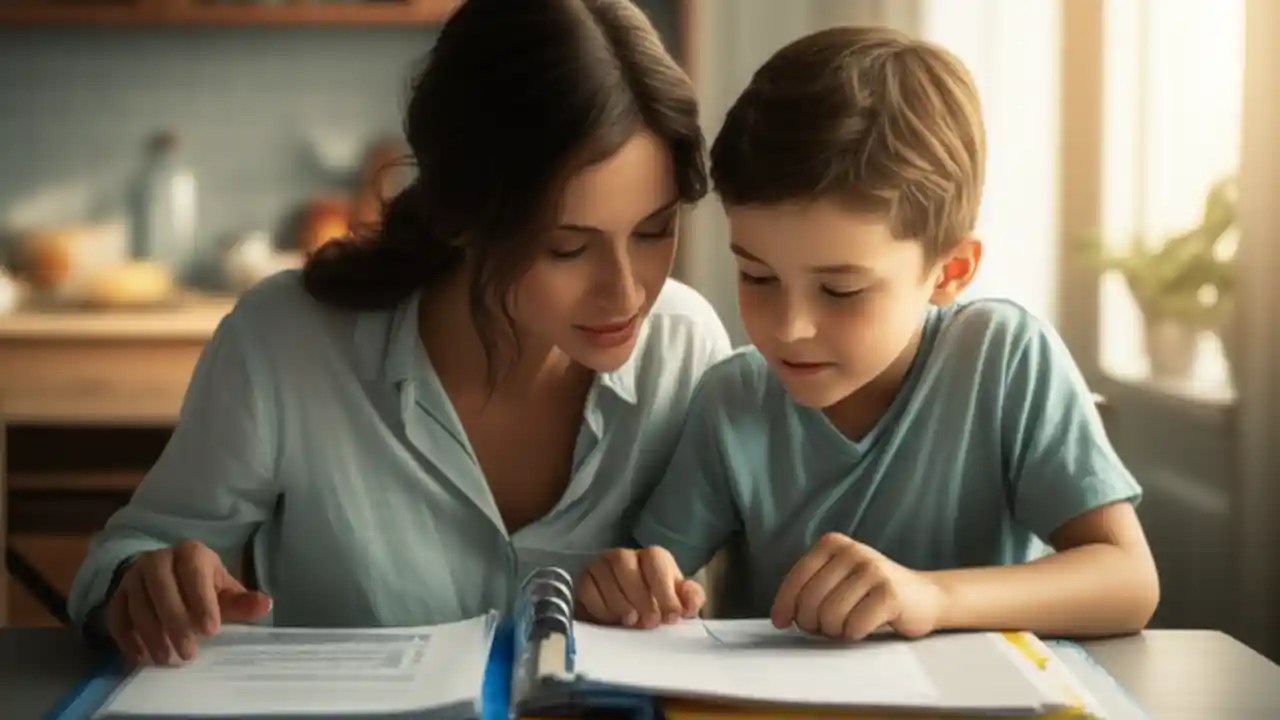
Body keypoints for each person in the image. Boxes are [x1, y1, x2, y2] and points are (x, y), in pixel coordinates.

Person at [67, 0, 730, 666]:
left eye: (653, 231)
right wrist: (143, 587)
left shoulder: (688, 353)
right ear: (464, 215)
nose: (628, 290)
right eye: (566, 247)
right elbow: (125, 561)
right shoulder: (284, 344)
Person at [576, 26, 1159, 640]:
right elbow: (650, 582)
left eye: (841, 290)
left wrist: (929, 597)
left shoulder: (1004, 361)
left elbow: (1128, 581)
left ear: (950, 271)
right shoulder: (732, 401)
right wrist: (631, 584)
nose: (789, 328)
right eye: (757, 275)